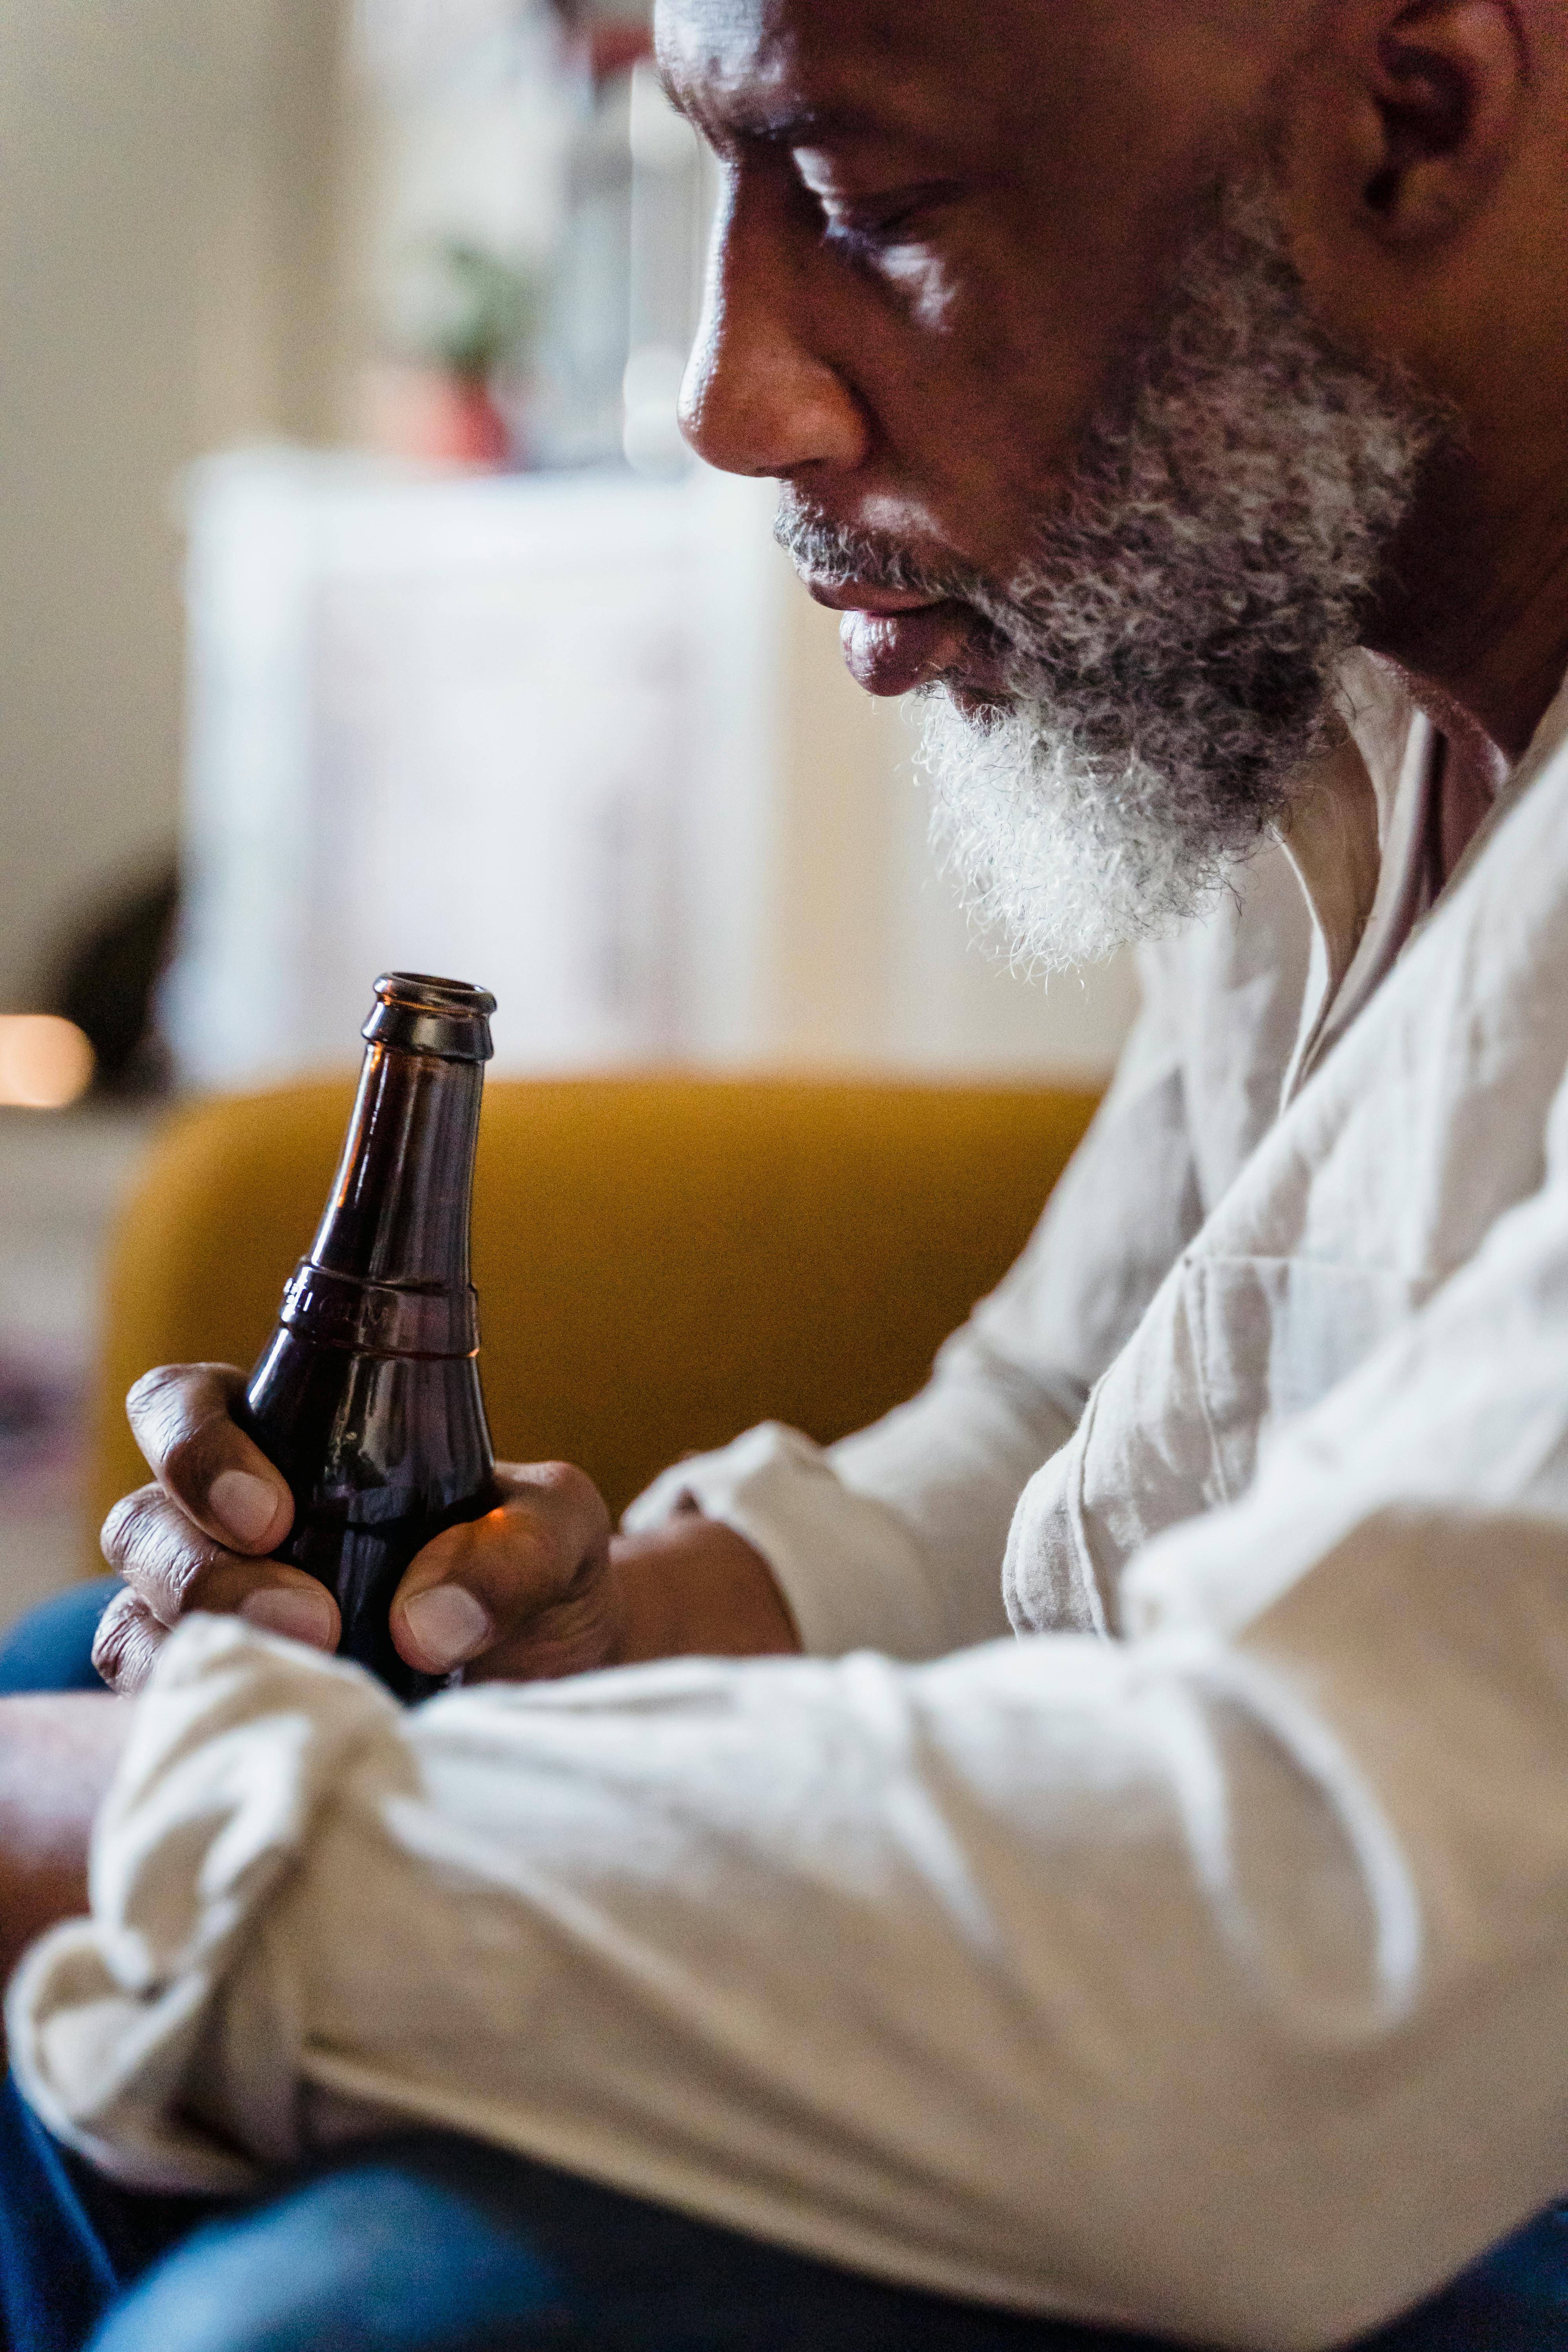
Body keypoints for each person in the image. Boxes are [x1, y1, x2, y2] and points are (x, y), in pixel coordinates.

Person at [5, 0, 1568, 2344]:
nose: (725, 399)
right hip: (1308, 1963)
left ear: (1412, 117)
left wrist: (153, 1842)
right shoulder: (1342, 718)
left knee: (337, 2320)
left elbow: (1332, 1942)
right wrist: (620, 1633)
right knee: (99, 1666)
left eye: (865, 206)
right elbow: (1076, 1419)